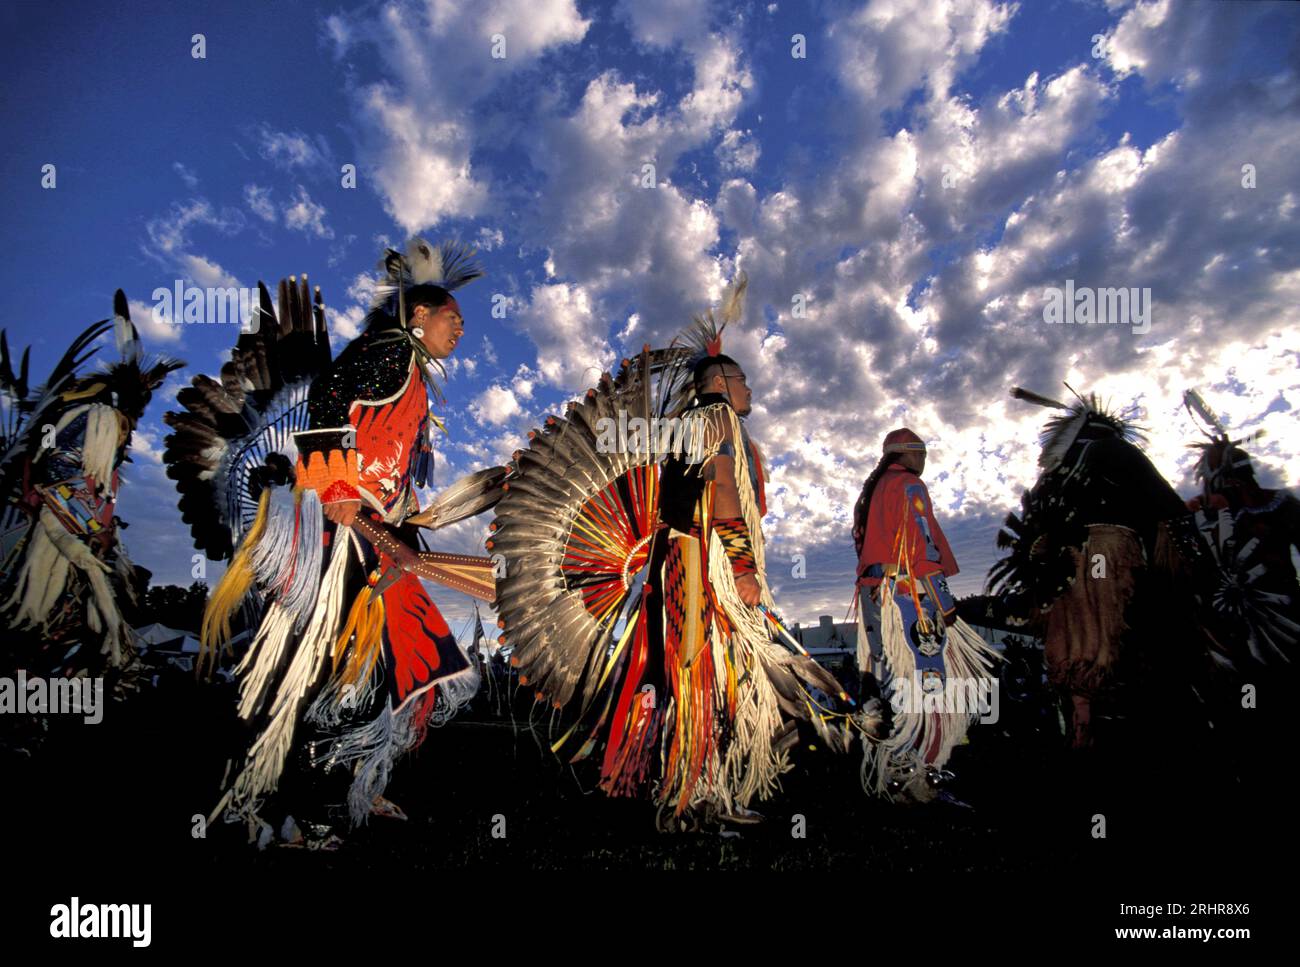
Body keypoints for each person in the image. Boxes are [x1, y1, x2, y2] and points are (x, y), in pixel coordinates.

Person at [188, 239, 486, 835]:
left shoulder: (414, 381)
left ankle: (347, 781)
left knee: (392, 658)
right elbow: (327, 394)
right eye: (452, 317)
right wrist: (336, 483)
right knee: (311, 661)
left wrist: (410, 524)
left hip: (372, 527)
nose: (461, 328)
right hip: (335, 524)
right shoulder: (389, 350)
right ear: (419, 316)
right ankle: (262, 800)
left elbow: (394, 463)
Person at [852, 428, 998, 801]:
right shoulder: (909, 486)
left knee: (893, 687)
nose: (925, 460)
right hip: (911, 598)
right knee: (930, 690)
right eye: (923, 453)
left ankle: (896, 775)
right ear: (909, 453)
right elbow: (922, 545)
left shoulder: (872, 492)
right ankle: (922, 778)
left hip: (879, 598)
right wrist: (945, 603)